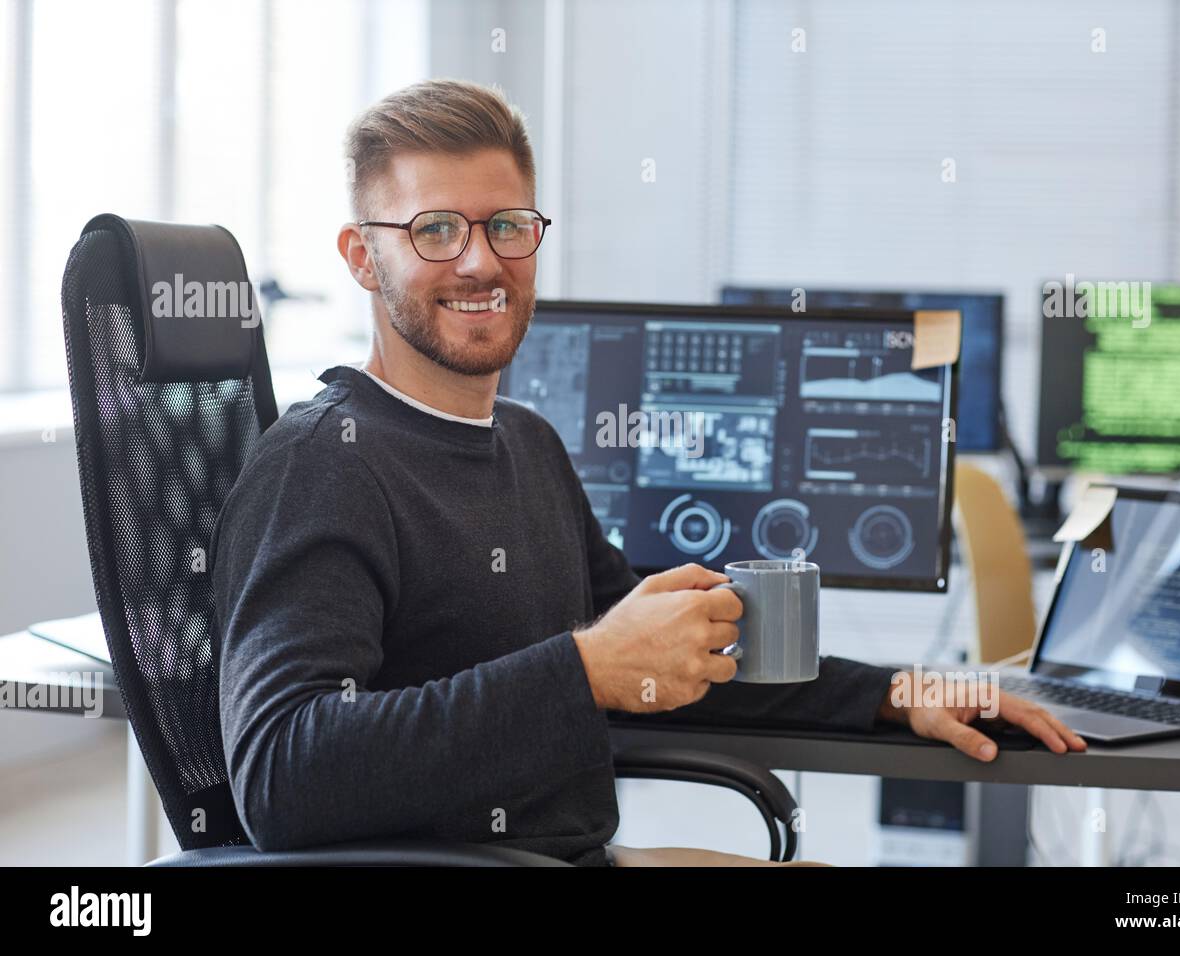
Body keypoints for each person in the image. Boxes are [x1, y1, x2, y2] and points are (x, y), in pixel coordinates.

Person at [213, 78, 1085, 868]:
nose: (480, 262)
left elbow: (674, 649)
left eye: (506, 226)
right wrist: (586, 668)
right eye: (434, 230)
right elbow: (282, 775)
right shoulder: (324, 464)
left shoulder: (524, 441)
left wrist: (898, 692)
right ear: (363, 256)